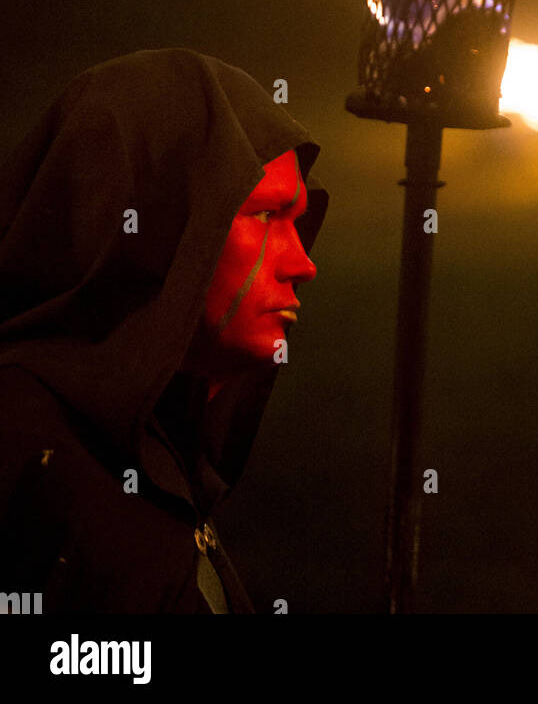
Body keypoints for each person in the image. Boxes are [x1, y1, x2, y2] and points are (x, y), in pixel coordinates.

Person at [0, 48, 328, 613]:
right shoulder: (22, 452)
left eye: (296, 223)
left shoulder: (157, 459)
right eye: (264, 216)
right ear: (158, 223)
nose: (304, 263)